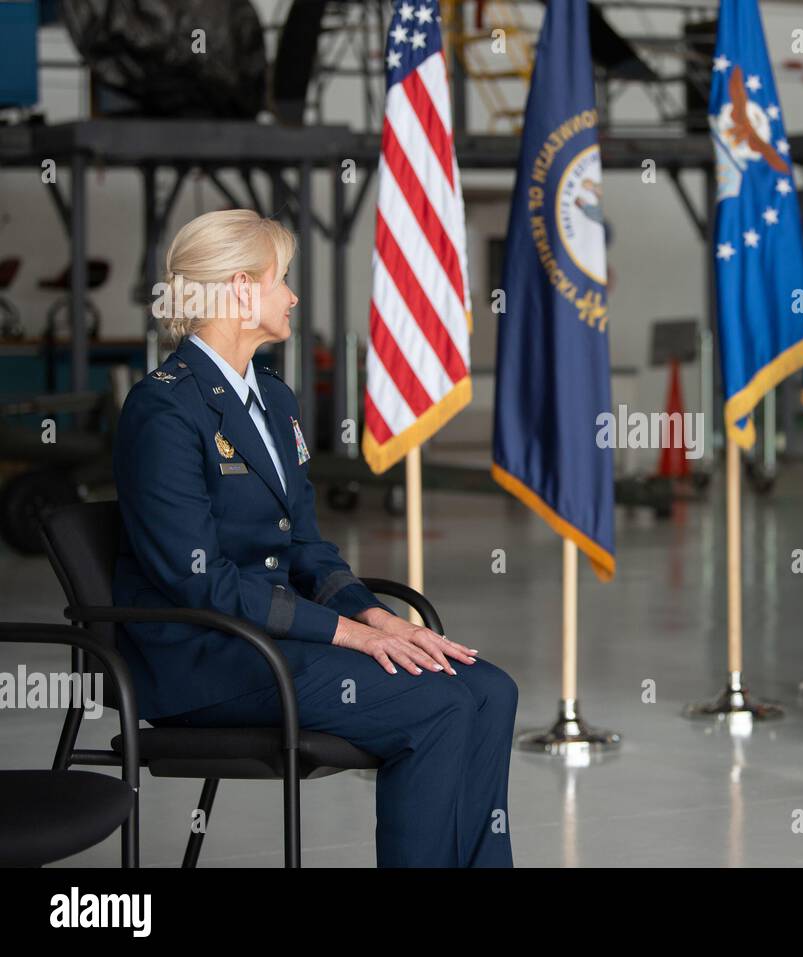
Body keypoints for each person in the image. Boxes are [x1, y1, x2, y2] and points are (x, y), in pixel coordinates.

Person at [113, 209, 517, 865]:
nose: (293, 297)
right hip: (206, 657)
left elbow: (305, 546)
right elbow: (198, 579)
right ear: (242, 289)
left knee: (491, 689)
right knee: (438, 704)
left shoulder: (273, 398)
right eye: (282, 279)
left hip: (273, 639)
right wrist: (347, 634)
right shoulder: (164, 407)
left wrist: (376, 617)